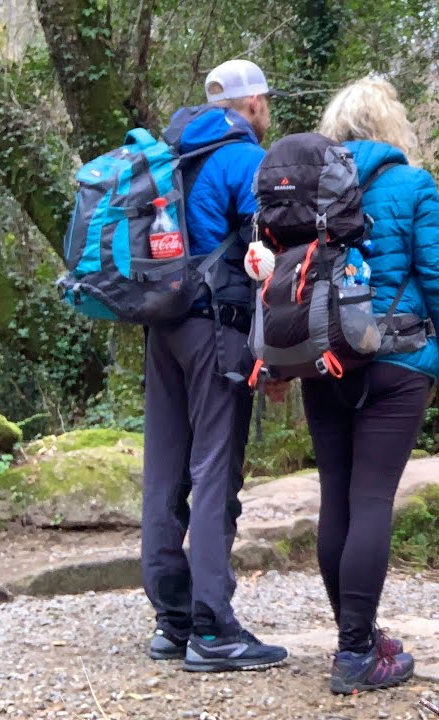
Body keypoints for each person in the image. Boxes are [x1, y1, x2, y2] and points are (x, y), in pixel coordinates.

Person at [310, 76, 439, 694]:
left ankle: (358, 636)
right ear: (390, 127)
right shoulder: (412, 183)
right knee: (372, 499)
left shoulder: (310, 191)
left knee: (338, 499)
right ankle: (355, 653)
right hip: (399, 360)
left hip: (323, 361)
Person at [140, 59, 288, 673]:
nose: (267, 111)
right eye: (265, 102)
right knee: (214, 472)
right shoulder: (242, 158)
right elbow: (270, 248)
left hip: (161, 325)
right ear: (251, 104)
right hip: (214, 332)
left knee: (165, 471)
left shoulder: (169, 153)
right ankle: (213, 627)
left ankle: (171, 621)